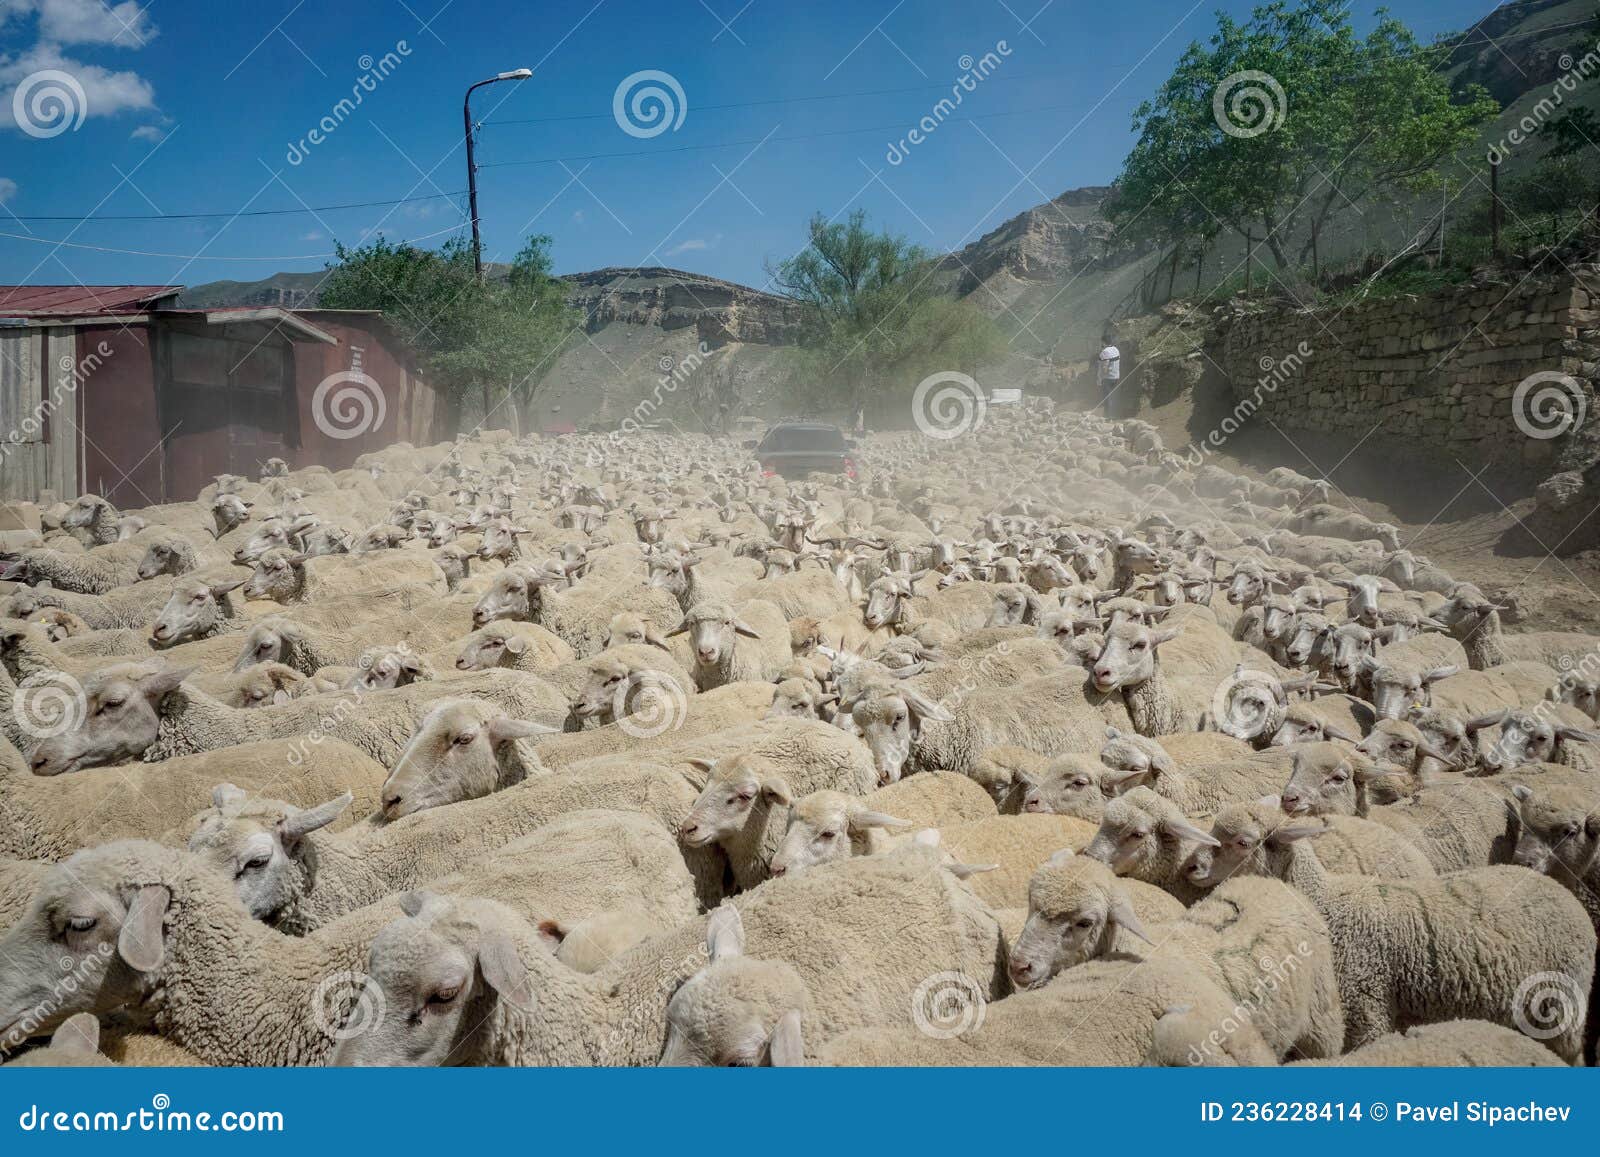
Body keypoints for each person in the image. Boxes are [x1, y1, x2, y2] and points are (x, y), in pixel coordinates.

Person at [1096, 331, 1121, 415]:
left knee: (1107, 398)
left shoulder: (1105, 352)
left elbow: (1104, 367)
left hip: (1107, 378)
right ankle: (1113, 414)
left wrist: (1100, 379)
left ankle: (1108, 416)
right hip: (1116, 376)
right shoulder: (1116, 349)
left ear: (1103, 342)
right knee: (1112, 396)